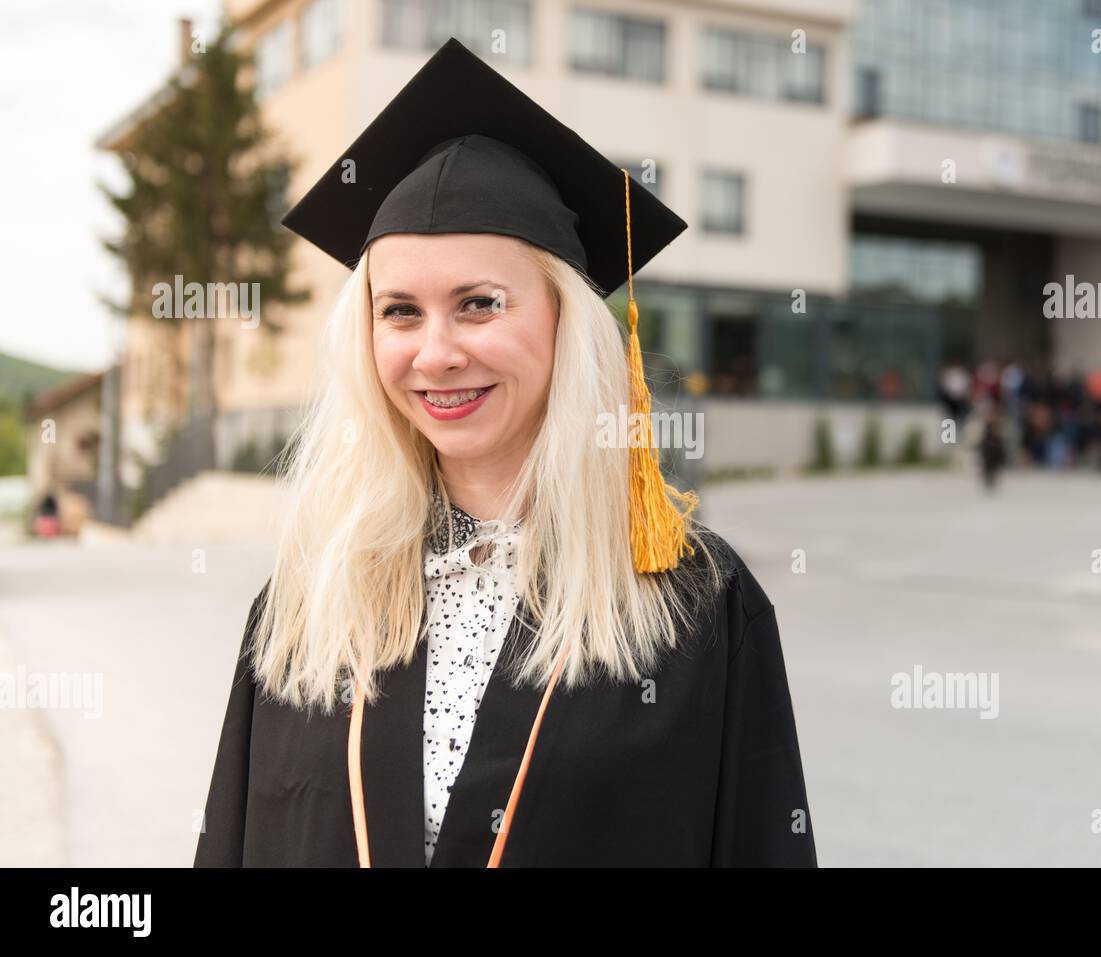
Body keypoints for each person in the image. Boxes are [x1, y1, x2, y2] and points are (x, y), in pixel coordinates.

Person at [193, 38, 816, 868]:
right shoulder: (308, 604)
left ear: (567, 324)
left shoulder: (698, 607)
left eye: (479, 304)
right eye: (401, 311)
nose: (437, 352)